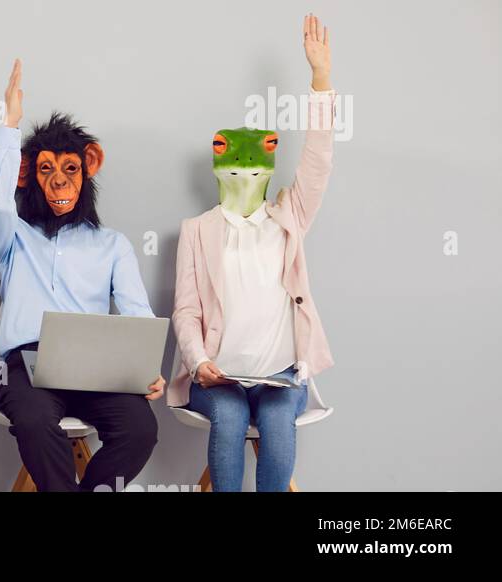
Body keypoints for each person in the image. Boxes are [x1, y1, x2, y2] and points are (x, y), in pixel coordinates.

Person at [171, 14, 337, 492]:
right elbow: (185, 308)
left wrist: (321, 82)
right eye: (235, 173)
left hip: (279, 375)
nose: (245, 181)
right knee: (227, 419)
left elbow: (318, 161)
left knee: (279, 428)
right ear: (219, 169)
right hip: (219, 376)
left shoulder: (289, 216)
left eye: (254, 173)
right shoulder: (197, 230)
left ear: (267, 172)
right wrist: (200, 360)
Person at [0, 59, 165, 492]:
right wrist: (10, 125)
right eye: (46, 169)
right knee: (32, 419)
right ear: (29, 174)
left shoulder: (113, 244)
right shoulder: (12, 238)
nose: (60, 181)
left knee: (142, 429)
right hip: (26, 366)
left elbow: (138, 312)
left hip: (97, 369)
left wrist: (144, 369)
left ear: (88, 170)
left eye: (70, 170)